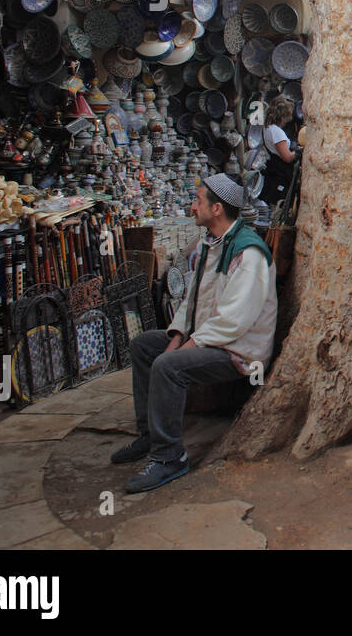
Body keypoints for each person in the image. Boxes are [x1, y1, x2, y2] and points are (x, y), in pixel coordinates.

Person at [112, 174, 278, 492]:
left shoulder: (248, 253)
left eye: (198, 201)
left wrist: (187, 347)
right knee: (144, 346)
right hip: (209, 338)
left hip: (239, 350)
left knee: (168, 366)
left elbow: (234, 321)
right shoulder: (211, 245)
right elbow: (191, 300)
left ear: (216, 209)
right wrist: (176, 337)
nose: (193, 206)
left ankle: (169, 457)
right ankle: (150, 434)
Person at [260, 98, 299, 209]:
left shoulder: (268, 129)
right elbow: (287, 157)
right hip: (280, 172)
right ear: (284, 116)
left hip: (274, 170)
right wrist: (298, 152)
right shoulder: (276, 132)